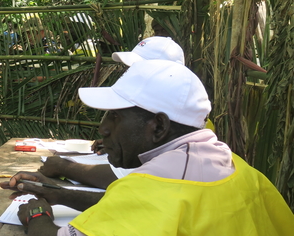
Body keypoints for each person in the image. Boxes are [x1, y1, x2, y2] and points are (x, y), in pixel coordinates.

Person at [6, 60, 294, 236]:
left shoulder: (155, 187)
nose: (103, 128)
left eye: (115, 116)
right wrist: (58, 192)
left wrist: (36, 214)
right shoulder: (240, 169)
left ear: (158, 126)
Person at [19, 36, 187, 197]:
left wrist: (63, 167)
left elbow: (133, 177)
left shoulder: (182, 118)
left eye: (138, 68)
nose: (129, 73)